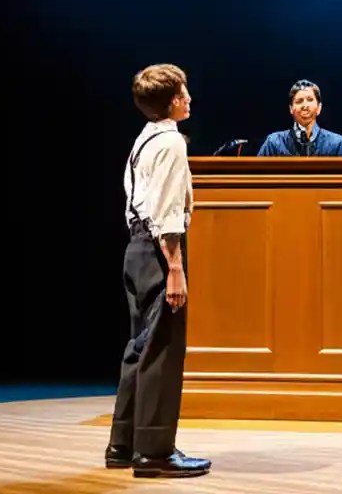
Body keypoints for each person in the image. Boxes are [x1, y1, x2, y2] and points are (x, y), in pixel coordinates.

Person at [105, 63, 211, 478]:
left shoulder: (143, 140)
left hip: (135, 247)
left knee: (139, 348)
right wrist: (175, 268)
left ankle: (124, 443)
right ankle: (154, 451)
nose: (188, 98)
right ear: (171, 101)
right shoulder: (170, 143)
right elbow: (166, 210)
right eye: (183, 92)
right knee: (161, 350)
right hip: (156, 250)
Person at [256, 79, 342, 157]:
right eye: (299, 101)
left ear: (319, 108)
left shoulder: (338, 144)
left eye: (310, 100)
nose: (305, 105)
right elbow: (256, 177)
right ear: (291, 108)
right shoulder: (274, 143)